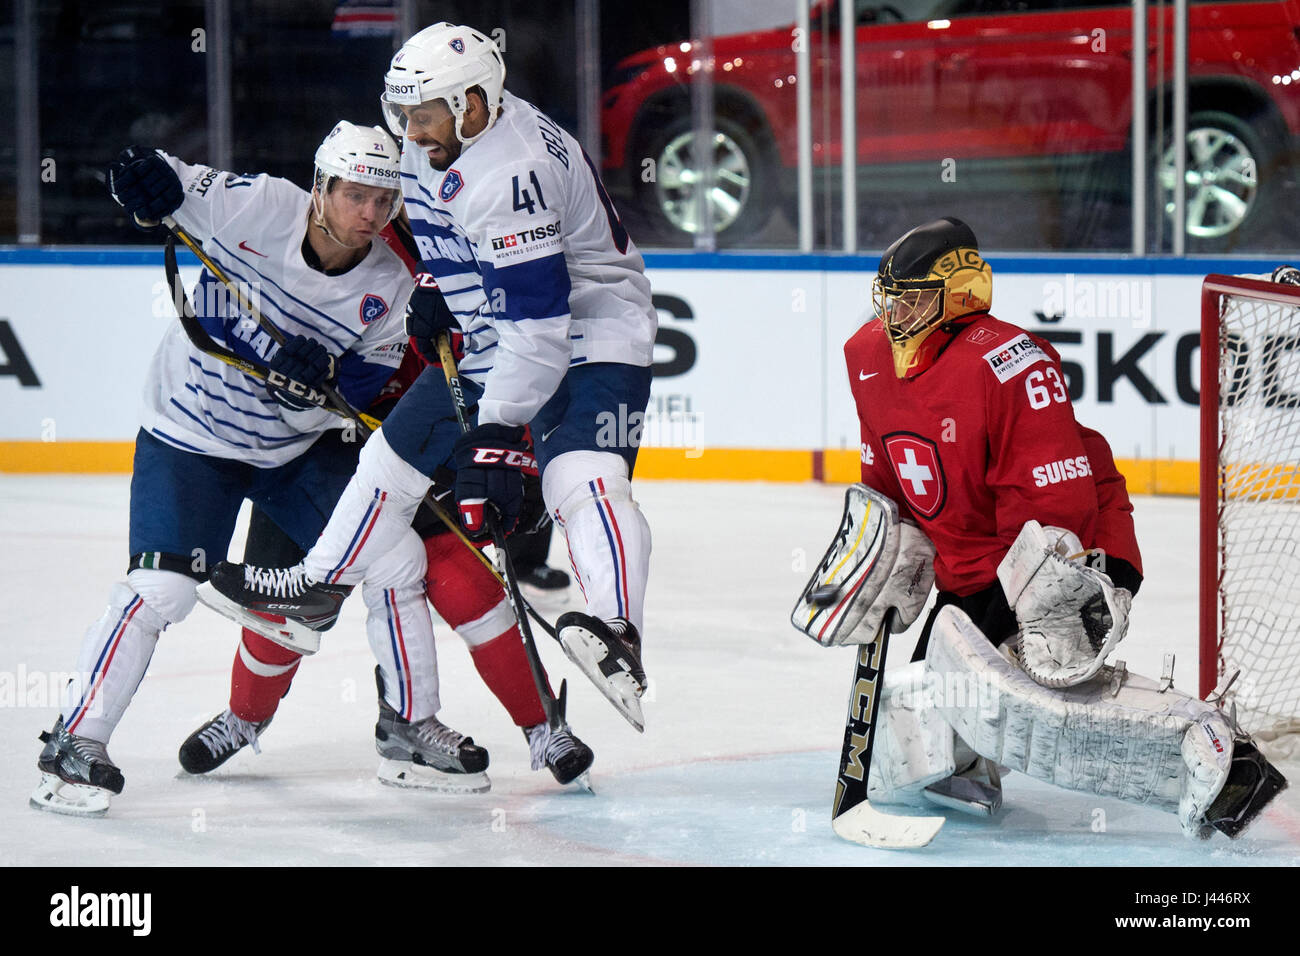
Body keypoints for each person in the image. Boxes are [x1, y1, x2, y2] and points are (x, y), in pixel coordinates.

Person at [199, 22, 657, 730]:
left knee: (581, 475)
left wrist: (498, 433)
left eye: (424, 114)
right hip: (497, 333)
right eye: (402, 113)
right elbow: (455, 245)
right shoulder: (434, 142)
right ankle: (318, 584)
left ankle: (617, 631)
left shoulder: (513, 173)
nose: (409, 131)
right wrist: (442, 293)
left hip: (594, 328)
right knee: (390, 459)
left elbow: (537, 334)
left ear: (474, 102)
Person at [30, 123, 490, 816]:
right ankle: (75, 739)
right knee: (163, 588)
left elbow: (360, 388)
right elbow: (171, 185)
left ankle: (407, 728)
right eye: (356, 195)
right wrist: (137, 170)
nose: (370, 214)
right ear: (320, 188)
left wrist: (324, 377)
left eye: (384, 201)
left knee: (395, 556)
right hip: (190, 437)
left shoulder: (391, 285)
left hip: (289, 451)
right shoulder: (258, 205)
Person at [833, 216, 1285, 837]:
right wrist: (883, 558)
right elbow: (887, 477)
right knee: (923, 739)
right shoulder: (866, 357)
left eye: (915, 300)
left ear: (961, 290)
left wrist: (1042, 606)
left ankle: (1223, 760)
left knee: (1042, 699)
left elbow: (1058, 496)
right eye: (892, 299)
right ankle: (968, 771)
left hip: (1070, 550)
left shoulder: (1009, 361)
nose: (896, 315)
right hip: (973, 565)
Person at [179, 349, 595, 789]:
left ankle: (541, 727)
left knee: (465, 586)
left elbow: (501, 361)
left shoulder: (428, 290)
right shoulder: (301, 291)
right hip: (305, 468)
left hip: (410, 463)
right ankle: (244, 718)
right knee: (282, 612)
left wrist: (526, 465)